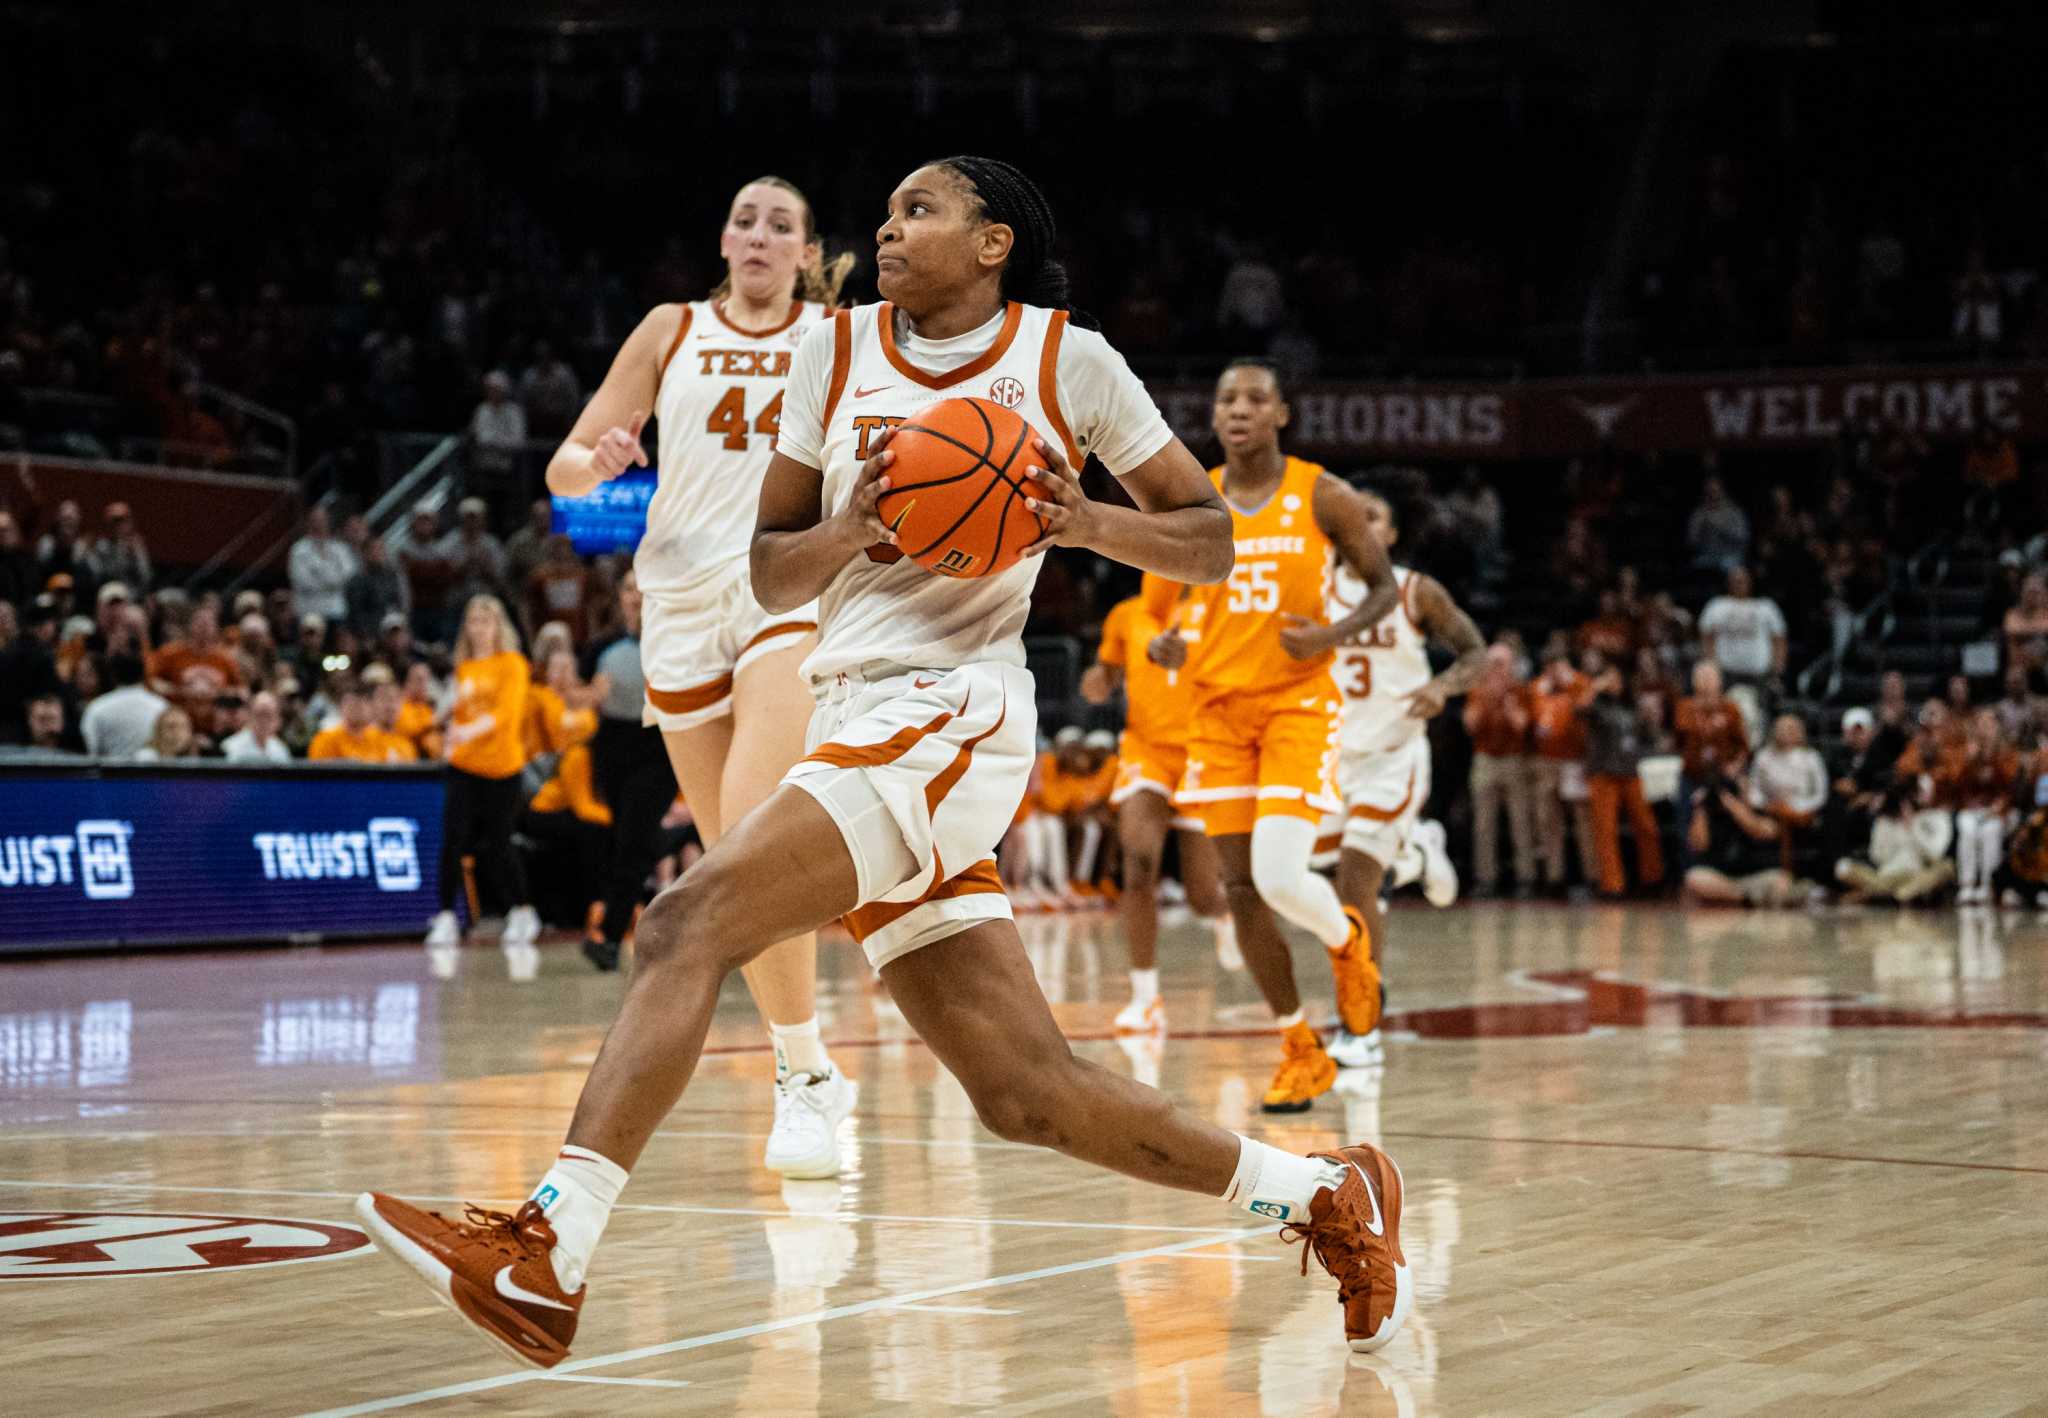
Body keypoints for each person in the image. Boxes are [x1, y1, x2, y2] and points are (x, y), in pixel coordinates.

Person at [353, 155, 1406, 1369]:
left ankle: (549, 1246)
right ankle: (1325, 1192)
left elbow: (1211, 540)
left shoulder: (1068, 361)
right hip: (853, 701)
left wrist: (1080, 522)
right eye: (889, 210)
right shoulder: (834, 351)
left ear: (992, 241)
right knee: (1024, 1094)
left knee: (685, 919)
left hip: (952, 710)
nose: (887, 228)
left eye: (920, 210)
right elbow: (768, 568)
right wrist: (850, 528)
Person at [546, 176, 865, 1175]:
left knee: (747, 828)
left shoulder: (838, 335)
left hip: (781, 587)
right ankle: (807, 1066)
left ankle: (803, 1079)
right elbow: (562, 468)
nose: (759, 234)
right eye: (744, 218)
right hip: (676, 604)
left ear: (805, 252)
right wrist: (595, 461)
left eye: (781, 223)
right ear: (723, 241)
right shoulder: (667, 326)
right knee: (731, 852)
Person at [1157, 358, 1397, 1112]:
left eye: (1256, 398)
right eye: (1226, 397)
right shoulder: (1193, 496)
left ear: (1282, 414)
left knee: (1280, 875)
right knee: (1237, 890)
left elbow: (1385, 587)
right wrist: (1170, 644)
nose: (1238, 409)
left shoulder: (1322, 493)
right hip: (1217, 712)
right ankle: (1299, 1044)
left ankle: (1347, 941)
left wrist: (1331, 631)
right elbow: (1175, 605)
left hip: (1296, 704)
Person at [1323, 487, 1486, 1064]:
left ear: (1392, 534)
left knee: (1355, 882)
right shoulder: (1312, 587)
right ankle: (1415, 853)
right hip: (1328, 757)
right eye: (1353, 515)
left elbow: (1474, 653)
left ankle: (1360, 1022)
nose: (1362, 524)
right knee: (1301, 881)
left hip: (1394, 756)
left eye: (1375, 515)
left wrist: (1442, 687)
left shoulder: (1417, 591)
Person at [1081, 574, 1231, 1034]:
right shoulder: (1128, 614)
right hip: (1146, 751)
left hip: (1204, 750)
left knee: (1204, 896)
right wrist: (1102, 679)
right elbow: (1097, 682)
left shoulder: (1221, 606)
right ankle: (1145, 998)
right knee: (1139, 862)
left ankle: (1224, 917)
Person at [424, 595, 541, 963]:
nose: (478, 627)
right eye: (473, 621)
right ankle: (444, 915)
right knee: (453, 839)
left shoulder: (513, 664)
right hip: (462, 765)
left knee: (499, 842)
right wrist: (444, 731)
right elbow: (449, 711)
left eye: (486, 620)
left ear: (498, 626)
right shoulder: (463, 668)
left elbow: (504, 716)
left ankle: (522, 910)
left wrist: (464, 731)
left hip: (502, 767)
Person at [1579, 657, 1665, 898]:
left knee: (1647, 826)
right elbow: (1581, 709)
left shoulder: (1633, 708)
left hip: (1631, 772)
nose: (1614, 682)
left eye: (1617, 677)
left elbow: (1649, 738)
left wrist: (1651, 720)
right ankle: (1612, 885)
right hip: (1604, 773)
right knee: (1605, 831)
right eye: (1609, 677)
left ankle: (1652, 878)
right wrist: (1595, 687)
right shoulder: (1596, 705)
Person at [1683, 763, 1817, 907]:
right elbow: (1699, 844)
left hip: (1755, 875)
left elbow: (1760, 830)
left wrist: (1734, 804)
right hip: (1723, 879)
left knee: (1781, 881)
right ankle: (1747, 898)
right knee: (1694, 879)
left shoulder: (1755, 808)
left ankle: (1771, 896)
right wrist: (1700, 808)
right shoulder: (1706, 813)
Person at [1463, 643, 1536, 897]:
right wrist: (1485, 700)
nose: (1497, 669)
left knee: (1520, 821)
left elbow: (1522, 726)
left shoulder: (1520, 690)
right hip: (1485, 759)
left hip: (1514, 760)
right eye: (1492, 663)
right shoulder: (1477, 690)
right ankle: (1486, 878)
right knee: (1484, 822)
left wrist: (1507, 703)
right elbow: (1469, 725)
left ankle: (1526, 878)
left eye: (1501, 663)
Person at [1527, 642, 1598, 895]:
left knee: (1583, 821)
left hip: (1575, 761)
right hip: (1546, 761)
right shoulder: (1537, 688)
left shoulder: (1581, 683)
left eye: (1560, 665)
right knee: (1548, 821)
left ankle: (1592, 877)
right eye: (1550, 666)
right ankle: (1554, 878)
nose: (1555, 671)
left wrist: (1570, 684)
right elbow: (1534, 721)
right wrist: (1545, 691)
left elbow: (1588, 707)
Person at [1947, 708, 2019, 906]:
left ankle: (1989, 885)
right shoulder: (1967, 752)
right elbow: (1955, 784)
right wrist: (1970, 761)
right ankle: (1967, 885)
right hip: (1971, 809)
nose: (1985, 729)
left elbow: (2013, 786)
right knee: (1968, 831)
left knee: (1991, 831)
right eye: (1981, 724)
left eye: (1990, 724)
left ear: (1997, 727)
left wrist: (1999, 807)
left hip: (2000, 810)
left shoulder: (2006, 753)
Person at [1698, 565, 1787, 715]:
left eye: (1742, 580)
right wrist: (1711, 667)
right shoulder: (1717, 606)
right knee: (1724, 714)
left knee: (1759, 715)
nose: (1739, 583)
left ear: (1750, 581)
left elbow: (1779, 639)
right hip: (1726, 674)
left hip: (1759, 675)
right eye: (1735, 580)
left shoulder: (1766, 607)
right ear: (1729, 582)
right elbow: (1706, 638)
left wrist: (1777, 670)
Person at [145, 604, 244, 739]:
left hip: (215, 729)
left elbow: (241, 691)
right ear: (190, 626)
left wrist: (218, 693)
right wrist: (180, 690)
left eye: (208, 624)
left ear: (216, 628)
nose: (204, 629)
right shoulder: (170, 654)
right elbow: (151, 682)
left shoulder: (225, 659)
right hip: (178, 727)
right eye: (199, 623)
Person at [1749, 713, 1829, 873]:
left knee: (1789, 817)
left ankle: (1791, 871)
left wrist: (1801, 807)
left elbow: (1821, 793)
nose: (1786, 732)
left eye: (1791, 728)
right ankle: (1781, 871)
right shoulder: (1763, 756)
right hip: (1771, 809)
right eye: (1782, 728)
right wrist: (1763, 804)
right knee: (1780, 816)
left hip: (1803, 810)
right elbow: (1754, 788)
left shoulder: (1811, 757)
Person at [80, 652, 169, 759]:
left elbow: (90, 748)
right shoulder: (161, 706)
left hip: (111, 772)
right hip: (153, 773)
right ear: (143, 675)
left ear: (113, 675)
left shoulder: (98, 707)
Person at [308, 676, 416, 763]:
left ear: (369, 707)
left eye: (361, 704)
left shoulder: (379, 740)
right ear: (341, 707)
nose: (357, 709)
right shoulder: (325, 739)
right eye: (352, 704)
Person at [288, 506, 357, 624]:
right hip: (308, 610)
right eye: (315, 520)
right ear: (308, 522)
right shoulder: (298, 549)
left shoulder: (340, 548)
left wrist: (319, 574)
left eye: (322, 520)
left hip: (336, 609)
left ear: (328, 521)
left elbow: (349, 575)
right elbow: (301, 580)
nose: (318, 524)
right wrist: (332, 580)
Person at [221, 690, 292, 763]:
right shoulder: (230, 747)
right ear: (249, 716)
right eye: (260, 714)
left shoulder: (281, 750)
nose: (263, 721)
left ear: (277, 719)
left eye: (268, 715)